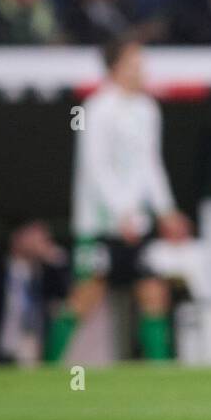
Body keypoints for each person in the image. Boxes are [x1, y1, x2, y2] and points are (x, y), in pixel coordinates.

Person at [49, 36, 193, 362]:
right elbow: (95, 167)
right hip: (100, 224)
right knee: (86, 294)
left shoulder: (147, 108)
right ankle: (48, 367)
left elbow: (151, 164)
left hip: (137, 223)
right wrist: (120, 213)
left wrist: (166, 211)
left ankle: (161, 374)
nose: (141, 69)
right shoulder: (98, 109)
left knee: (153, 292)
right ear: (115, 68)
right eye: (134, 62)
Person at [0, 220, 68, 364]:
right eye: (34, 235)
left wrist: (56, 257)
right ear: (17, 238)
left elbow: (65, 293)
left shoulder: (45, 274)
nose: (40, 241)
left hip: (32, 350)